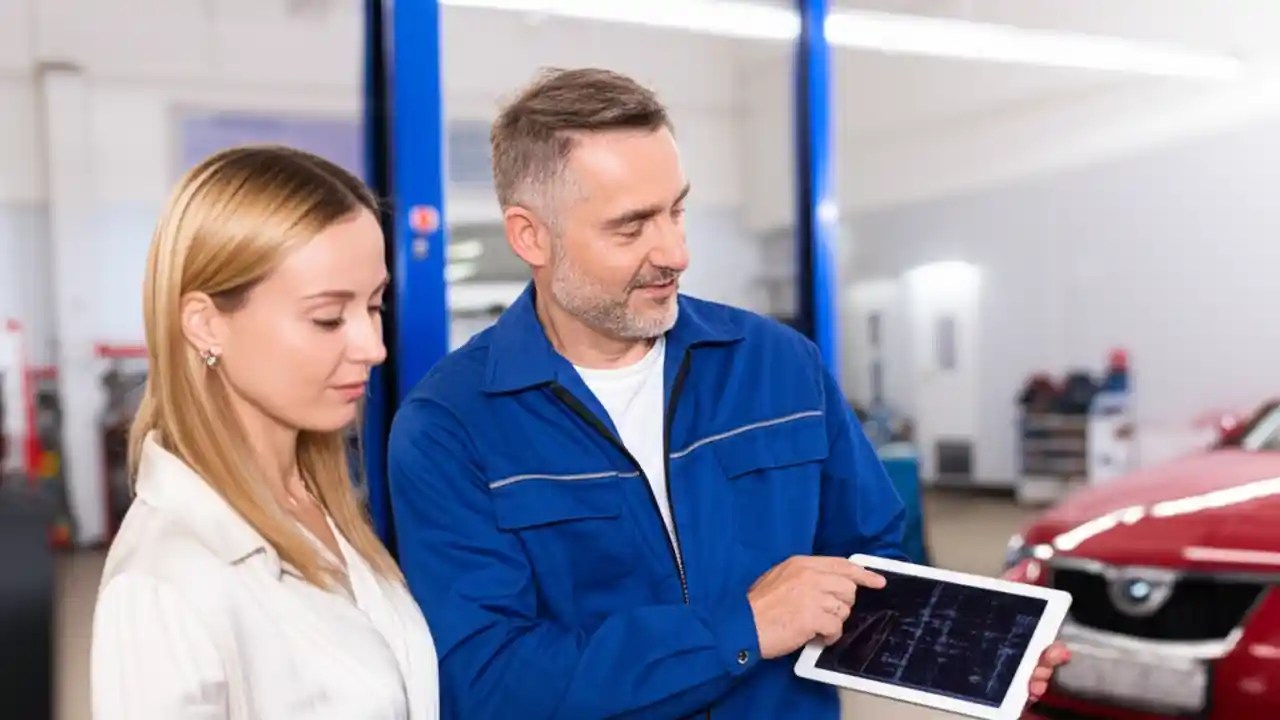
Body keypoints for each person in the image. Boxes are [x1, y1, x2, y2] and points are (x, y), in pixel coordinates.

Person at [387, 68, 1066, 719]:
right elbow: (489, 682)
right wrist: (741, 628)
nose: (675, 252)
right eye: (632, 226)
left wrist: (972, 653)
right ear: (530, 236)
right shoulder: (451, 427)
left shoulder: (779, 367)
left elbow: (869, 569)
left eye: (677, 211)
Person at [90, 146, 438, 719]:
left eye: (374, 306)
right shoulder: (162, 583)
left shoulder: (320, 504)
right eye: (328, 317)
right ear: (205, 324)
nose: (373, 348)